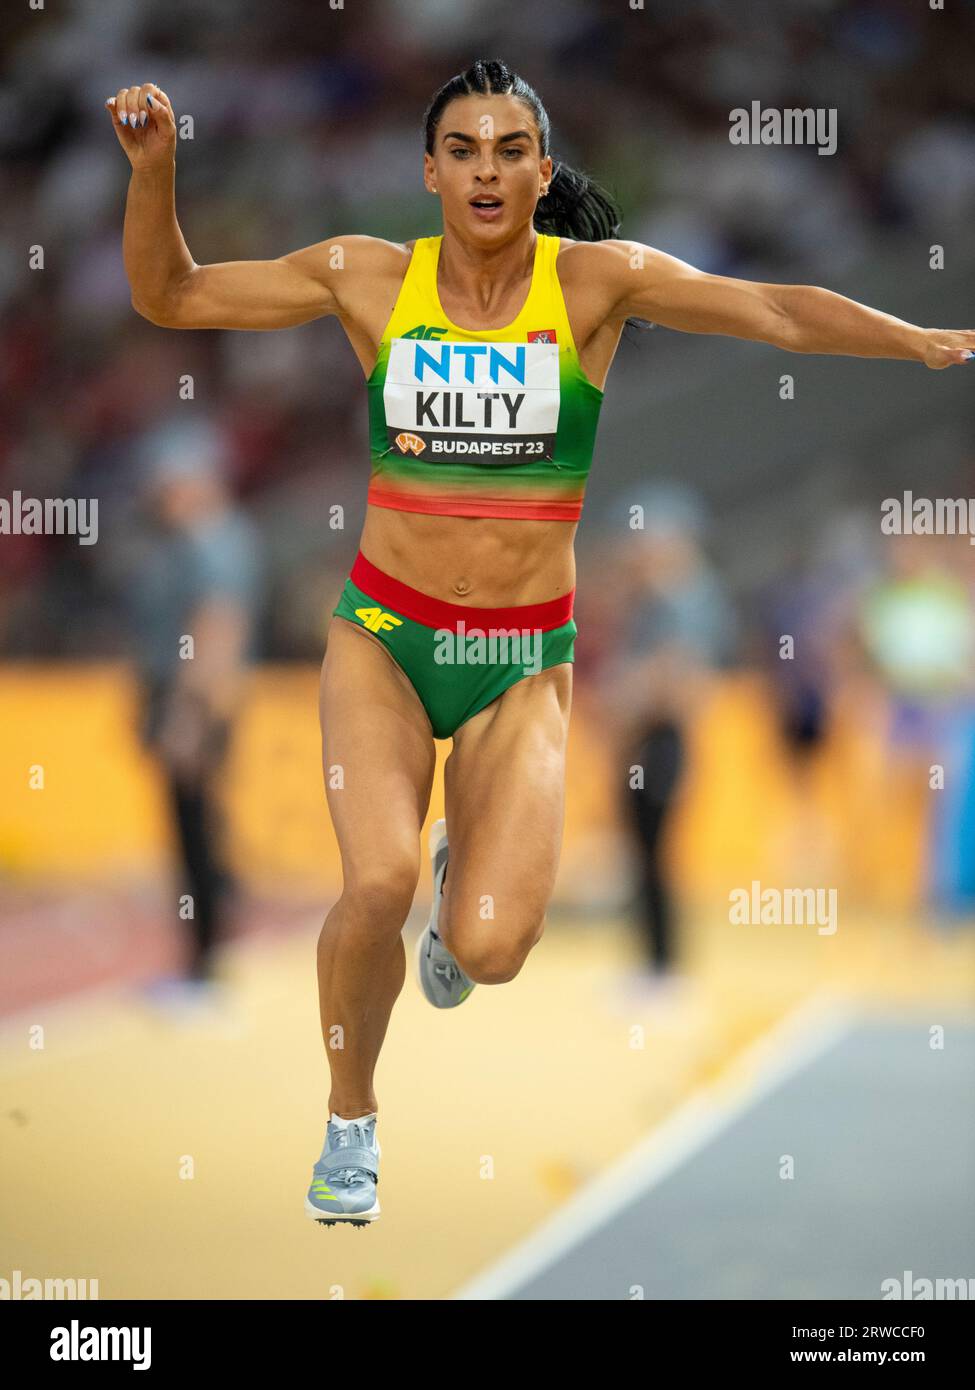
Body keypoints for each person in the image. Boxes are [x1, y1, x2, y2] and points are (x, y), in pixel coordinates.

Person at [107, 57, 975, 1226]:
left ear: (541, 170)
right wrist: (157, 172)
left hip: (523, 657)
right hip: (387, 639)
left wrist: (914, 339)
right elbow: (175, 295)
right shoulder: (366, 277)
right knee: (376, 883)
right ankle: (351, 1122)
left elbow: (771, 308)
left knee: (495, 948)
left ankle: (476, 858)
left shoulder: (596, 285)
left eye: (510, 149)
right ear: (430, 170)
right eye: (462, 148)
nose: (485, 169)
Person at [124, 416, 262, 1009]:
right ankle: (207, 958)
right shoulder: (202, 537)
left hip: (195, 705)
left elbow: (217, 626)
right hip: (191, 699)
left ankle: (204, 969)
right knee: (199, 829)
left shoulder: (210, 539)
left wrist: (187, 711)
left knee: (194, 832)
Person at [598, 484, 736, 1004]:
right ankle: (653, 964)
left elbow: (678, 677)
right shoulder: (655, 600)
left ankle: (666, 969)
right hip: (644, 739)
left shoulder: (688, 598)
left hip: (663, 739)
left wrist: (629, 695)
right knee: (642, 853)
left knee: (656, 853)